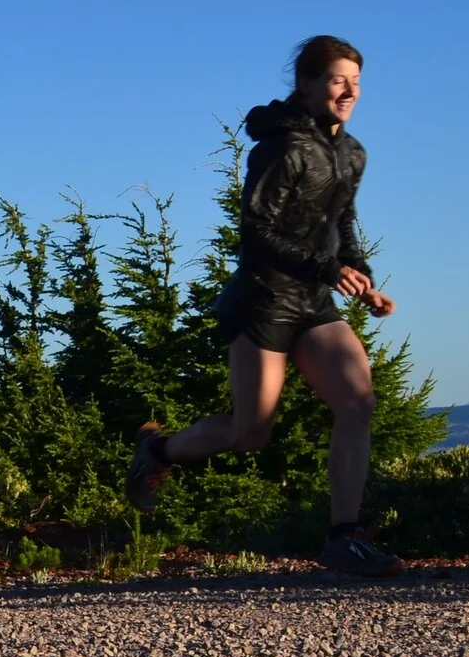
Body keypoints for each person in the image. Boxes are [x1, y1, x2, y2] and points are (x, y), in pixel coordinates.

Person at [125, 36, 403, 577]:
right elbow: (257, 233)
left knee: (358, 402)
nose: (349, 91)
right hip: (265, 301)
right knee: (251, 431)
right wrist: (326, 268)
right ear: (306, 84)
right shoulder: (280, 147)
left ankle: (345, 538)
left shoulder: (353, 152)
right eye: (337, 80)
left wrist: (361, 276)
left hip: (315, 302)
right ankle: (158, 451)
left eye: (356, 82)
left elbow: (341, 224)